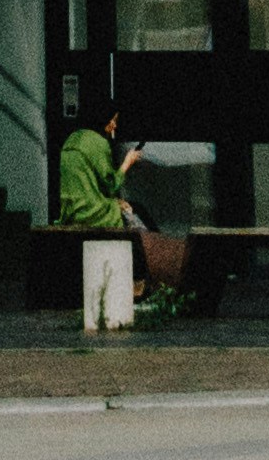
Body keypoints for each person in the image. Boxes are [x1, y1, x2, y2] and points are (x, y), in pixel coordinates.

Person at [51, 90, 190, 311]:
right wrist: (128, 162)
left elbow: (87, 185)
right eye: (112, 121)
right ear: (102, 119)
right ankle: (144, 279)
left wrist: (114, 202)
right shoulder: (97, 142)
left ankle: (146, 276)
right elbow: (111, 184)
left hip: (72, 210)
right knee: (136, 224)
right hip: (92, 212)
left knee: (134, 211)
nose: (114, 126)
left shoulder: (72, 140)